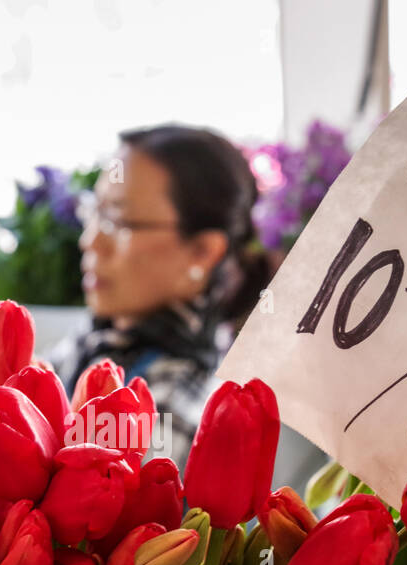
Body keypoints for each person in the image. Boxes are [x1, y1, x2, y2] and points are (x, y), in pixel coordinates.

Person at [49, 124, 272, 467]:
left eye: (118, 221)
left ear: (202, 251)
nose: (90, 241)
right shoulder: (97, 341)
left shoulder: (171, 410)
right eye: (94, 211)